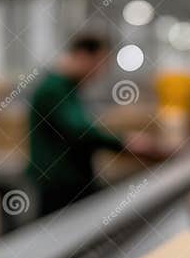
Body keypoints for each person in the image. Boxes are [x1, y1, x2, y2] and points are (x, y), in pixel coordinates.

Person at [27, 33, 160, 215]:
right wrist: (125, 142)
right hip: (59, 183)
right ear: (83, 56)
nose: (100, 72)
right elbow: (79, 131)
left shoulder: (69, 87)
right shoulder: (54, 89)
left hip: (71, 181)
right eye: (99, 63)